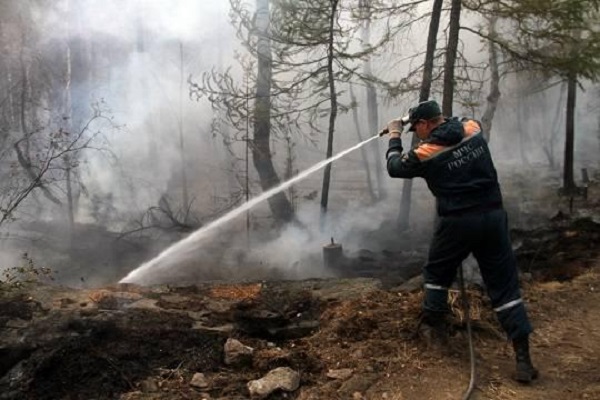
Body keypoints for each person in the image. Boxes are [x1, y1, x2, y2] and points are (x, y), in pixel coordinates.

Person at [384, 99, 538, 383]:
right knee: (505, 287)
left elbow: (395, 167)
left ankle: (434, 329)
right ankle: (523, 359)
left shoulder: (427, 152)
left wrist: (395, 134)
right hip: (493, 217)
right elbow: (453, 121)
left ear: (427, 124)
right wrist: (413, 118)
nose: (417, 134)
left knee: (437, 274)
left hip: (457, 223)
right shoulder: (472, 128)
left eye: (418, 128)